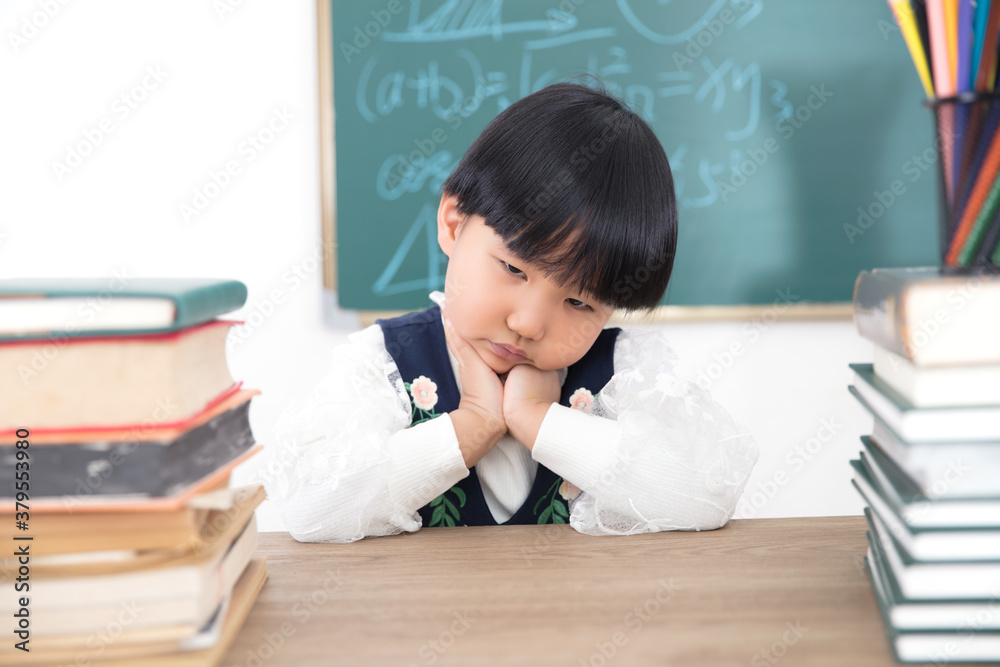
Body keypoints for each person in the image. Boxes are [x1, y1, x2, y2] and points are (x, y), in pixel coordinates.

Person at [258, 81, 758, 542]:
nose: (528, 324)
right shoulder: (384, 363)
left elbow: (704, 497)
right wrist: (471, 425)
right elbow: (310, 510)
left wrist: (538, 419)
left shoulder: (622, 373)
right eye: (515, 270)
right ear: (454, 225)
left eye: (580, 302)